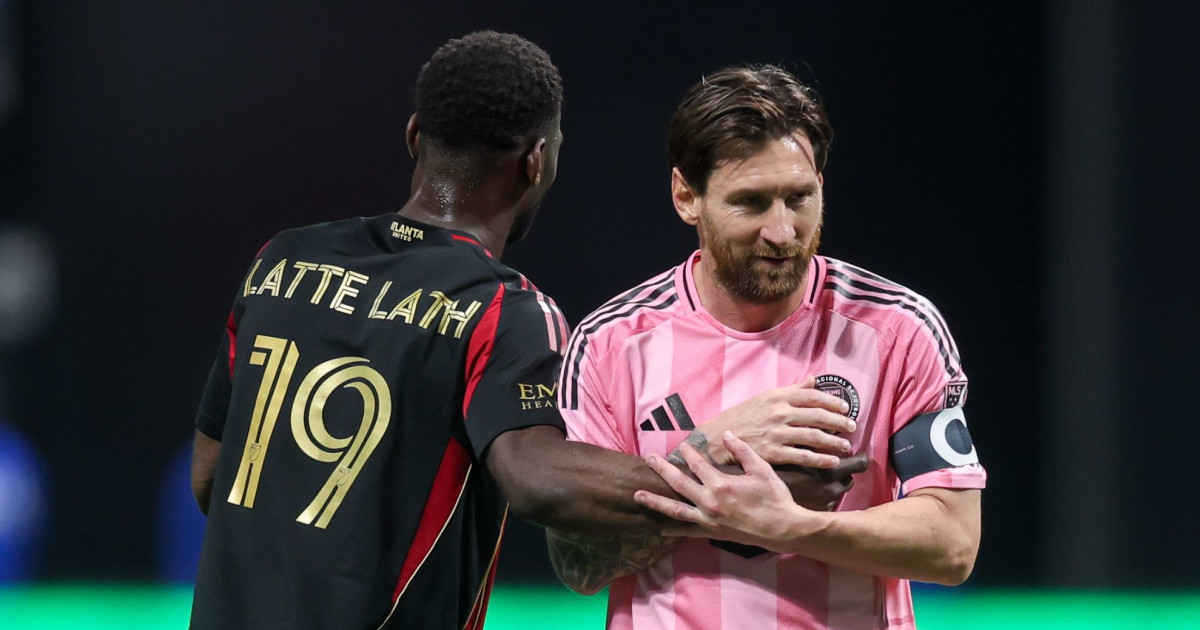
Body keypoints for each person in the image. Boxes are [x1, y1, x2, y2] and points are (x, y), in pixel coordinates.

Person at [188, 34, 863, 630]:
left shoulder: (283, 260)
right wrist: (722, 466)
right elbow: (540, 481)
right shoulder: (499, 307)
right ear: (538, 160)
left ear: (416, 136)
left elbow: (210, 478)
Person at [549, 64, 986, 630]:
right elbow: (578, 564)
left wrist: (791, 525)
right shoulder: (611, 343)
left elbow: (953, 544)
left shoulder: (899, 329)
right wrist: (709, 451)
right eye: (751, 203)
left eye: (799, 198)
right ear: (686, 196)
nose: (782, 231)